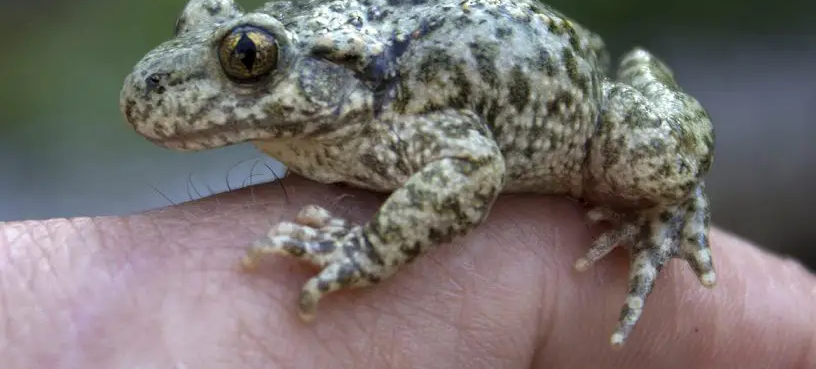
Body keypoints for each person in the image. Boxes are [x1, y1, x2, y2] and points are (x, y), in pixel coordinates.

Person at [2, 175, 813, 368]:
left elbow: (470, 167)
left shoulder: (381, 109)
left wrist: (367, 253)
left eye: (246, 61)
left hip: (582, 98)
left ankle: (671, 208)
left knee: (644, 152)